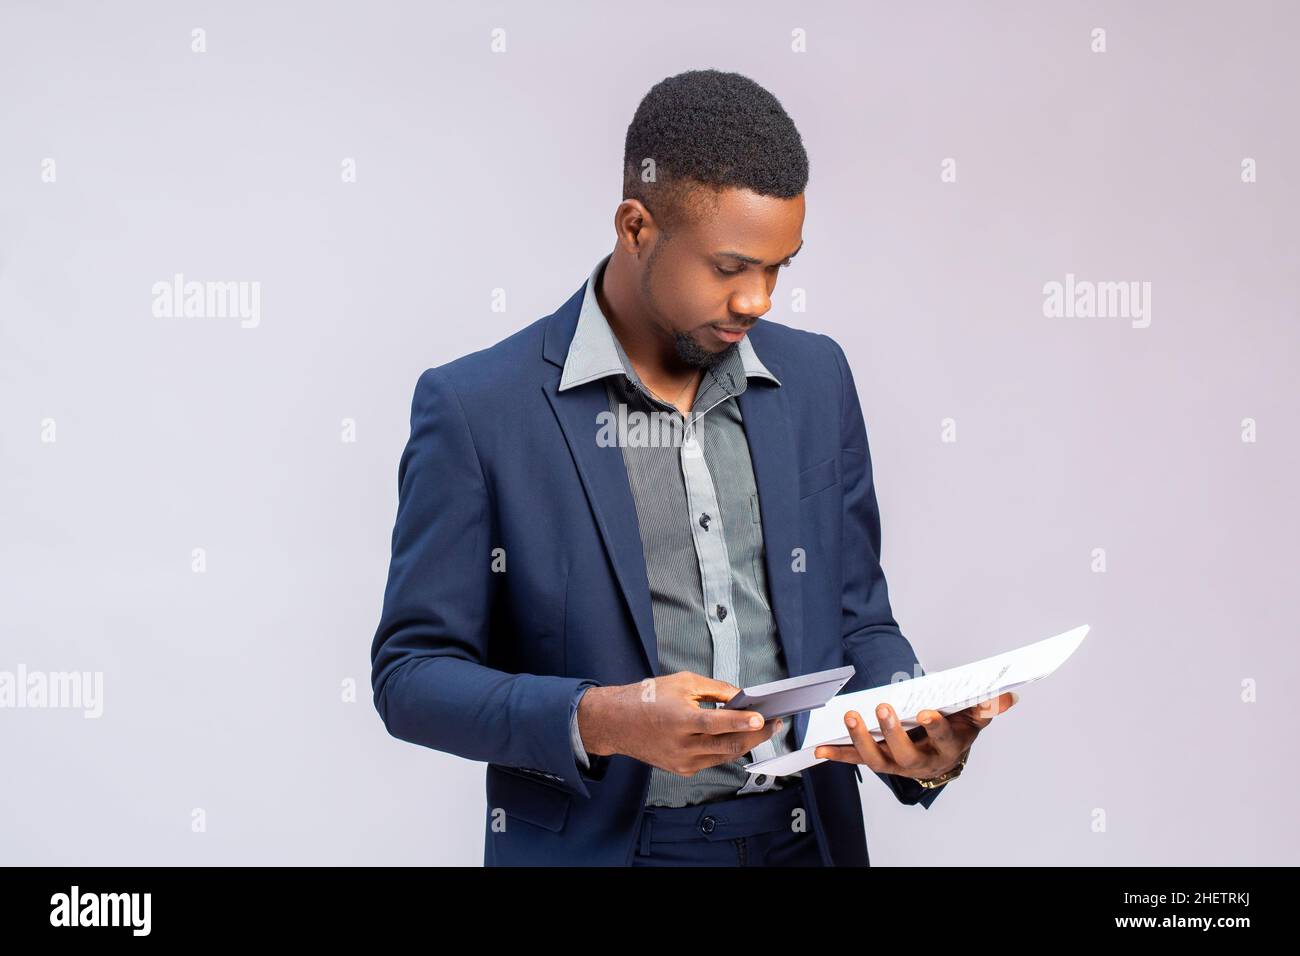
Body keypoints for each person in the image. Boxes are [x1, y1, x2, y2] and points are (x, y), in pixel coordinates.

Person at [370, 68, 1015, 867]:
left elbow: (855, 619)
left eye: (780, 267)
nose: (759, 300)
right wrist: (605, 718)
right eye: (730, 267)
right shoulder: (479, 408)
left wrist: (914, 730)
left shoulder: (816, 381)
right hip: (612, 851)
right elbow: (412, 677)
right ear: (636, 228)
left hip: (804, 841)